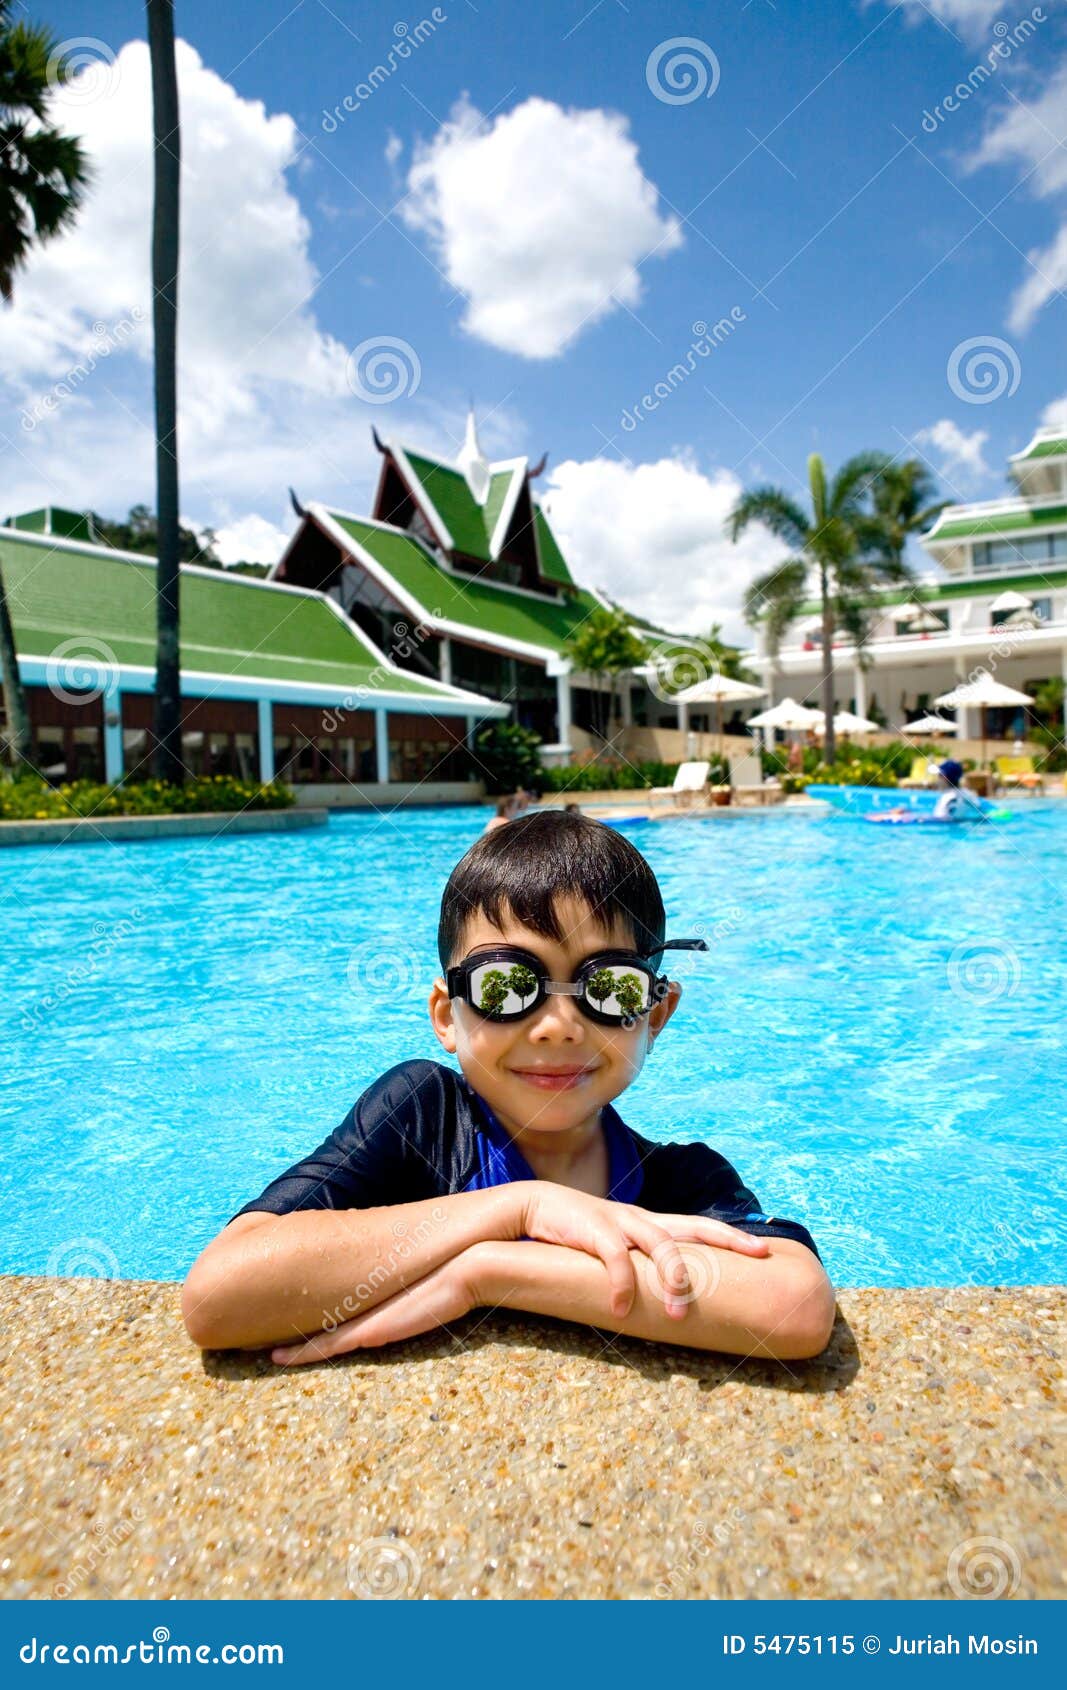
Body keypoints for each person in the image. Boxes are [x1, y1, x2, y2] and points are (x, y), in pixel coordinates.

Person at [182, 811, 834, 1365]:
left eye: (608, 989)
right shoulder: (422, 1117)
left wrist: (486, 1273)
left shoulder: (678, 1180)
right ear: (446, 1015)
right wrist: (516, 1209)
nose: (556, 1027)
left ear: (654, 1016)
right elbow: (219, 1297)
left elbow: (795, 1308)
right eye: (506, 987)